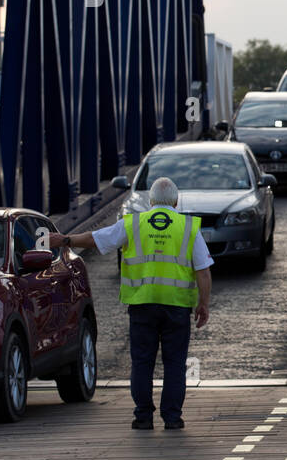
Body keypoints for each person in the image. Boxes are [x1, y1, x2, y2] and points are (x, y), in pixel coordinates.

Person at [50, 176, 213, 430]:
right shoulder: (188, 227)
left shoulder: (134, 223)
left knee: (142, 361)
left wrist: (65, 240)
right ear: (176, 201)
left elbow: (95, 239)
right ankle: (172, 417)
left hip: (142, 305)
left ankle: (143, 416)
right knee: (174, 364)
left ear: (151, 201)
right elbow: (203, 271)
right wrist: (203, 304)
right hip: (177, 306)